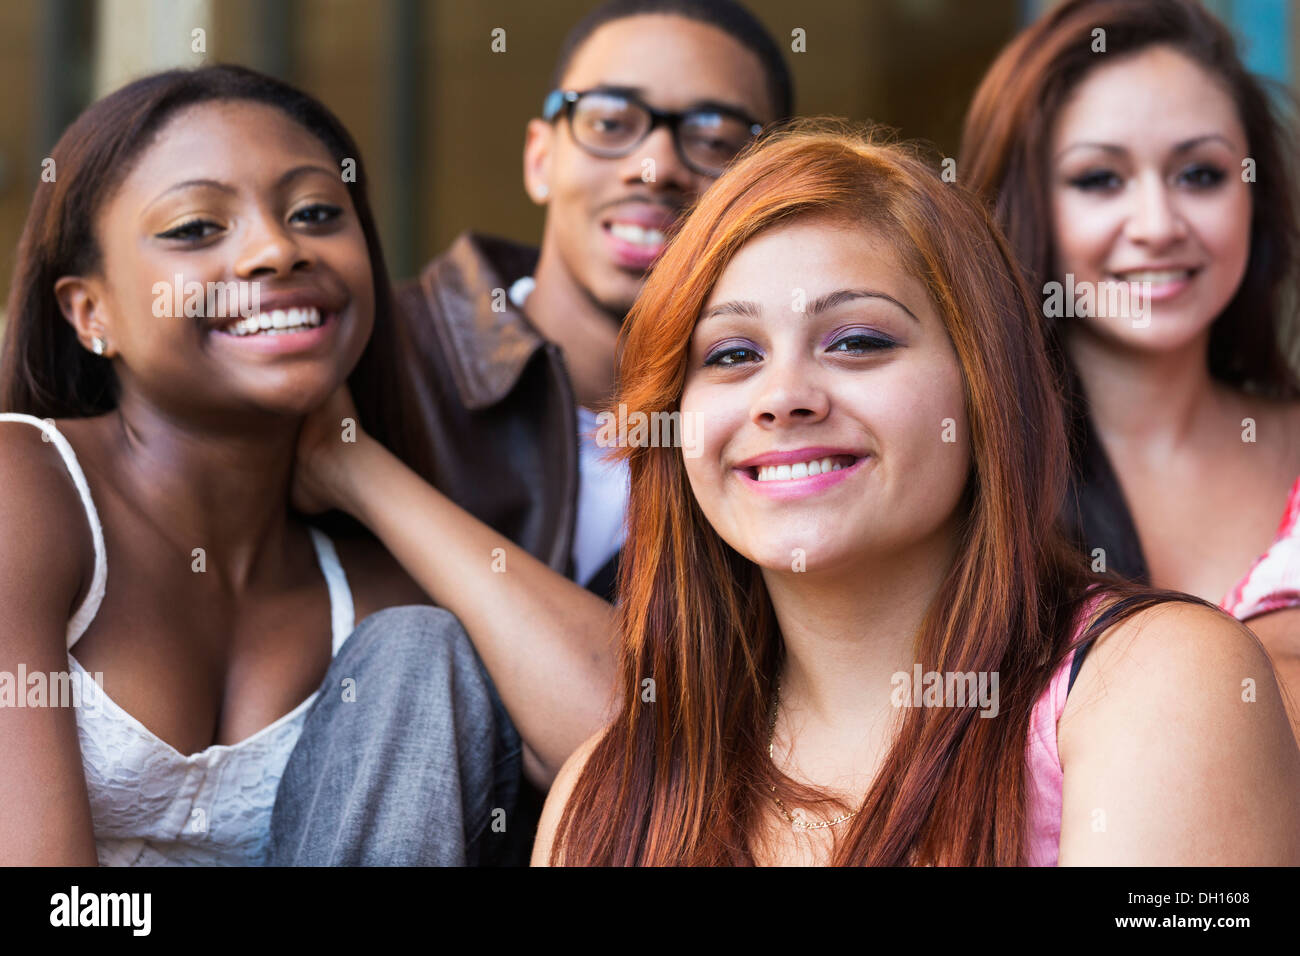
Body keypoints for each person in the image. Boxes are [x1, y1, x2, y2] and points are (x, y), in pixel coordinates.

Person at [531, 122, 1300, 866]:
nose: (783, 397)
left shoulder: (1158, 684)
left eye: (858, 342)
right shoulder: (598, 800)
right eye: (732, 354)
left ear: (985, 388)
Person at [0, 65, 512, 865]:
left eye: (314, 212)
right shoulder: (23, 488)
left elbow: (641, 763)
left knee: (420, 646)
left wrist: (364, 474)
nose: (277, 249)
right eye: (197, 227)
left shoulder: (371, 591)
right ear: (90, 312)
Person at [959, 0, 1300, 738]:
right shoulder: (962, 476)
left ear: (1253, 194)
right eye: (1100, 179)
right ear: (1027, 207)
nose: (1156, 224)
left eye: (1200, 174)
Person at [394, 0, 792, 604]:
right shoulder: (388, 362)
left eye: (713, 139)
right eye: (609, 123)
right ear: (540, 158)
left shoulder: (790, 420)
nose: (654, 169)